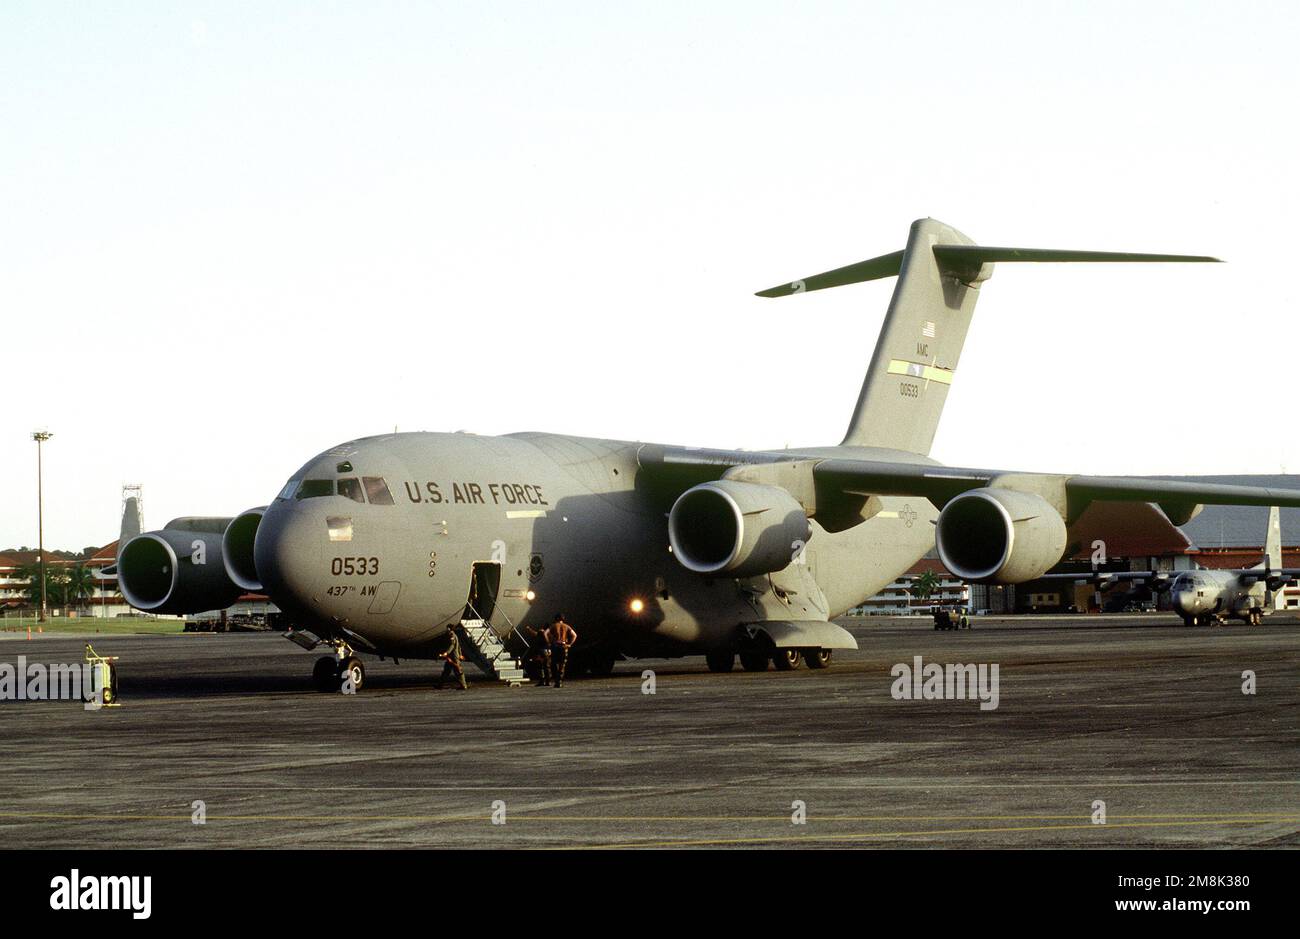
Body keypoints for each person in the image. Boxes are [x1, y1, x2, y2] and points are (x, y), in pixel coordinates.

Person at [545, 613, 578, 688]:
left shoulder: (553, 625)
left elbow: (545, 633)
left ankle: (556, 681)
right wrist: (570, 644)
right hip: (564, 646)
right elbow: (575, 635)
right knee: (562, 664)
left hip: (555, 646)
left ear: (556, 618)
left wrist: (549, 642)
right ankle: (560, 681)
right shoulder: (566, 626)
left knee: (555, 663)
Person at [436, 624, 468, 690]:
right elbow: (458, 646)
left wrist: (446, 653)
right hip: (451, 656)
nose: (446, 629)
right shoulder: (453, 635)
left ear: (449, 628)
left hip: (453, 656)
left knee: (458, 670)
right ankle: (440, 685)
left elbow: (452, 645)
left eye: (447, 628)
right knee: (446, 671)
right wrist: (460, 654)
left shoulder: (452, 635)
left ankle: (464, 685)